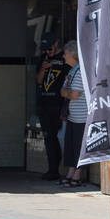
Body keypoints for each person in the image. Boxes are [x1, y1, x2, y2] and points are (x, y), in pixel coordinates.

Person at [36, 36, 67, 180]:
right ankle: (52, 169)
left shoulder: (64, 58)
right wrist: (43, 68)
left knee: (56, 137)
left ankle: (58, 169)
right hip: (44, 104)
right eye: (45, 49)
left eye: (49, 48)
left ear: (56, 43)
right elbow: (38, 81)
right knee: (48, 138)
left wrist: (65, 107)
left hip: (58, 104)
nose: (47, 52)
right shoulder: (43, 59)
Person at [60, 40, 88, 188]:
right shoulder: (72, 72)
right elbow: (63, 91)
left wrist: (67, 92)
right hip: (73, 116)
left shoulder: (80, 72)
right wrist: (67, 92)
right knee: (70, 146)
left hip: (82, 117)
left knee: (78, 147)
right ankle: (71, 172)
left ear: (73, 54)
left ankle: (77, 174)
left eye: (65, 53)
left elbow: (74, 94)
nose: (63, 56)